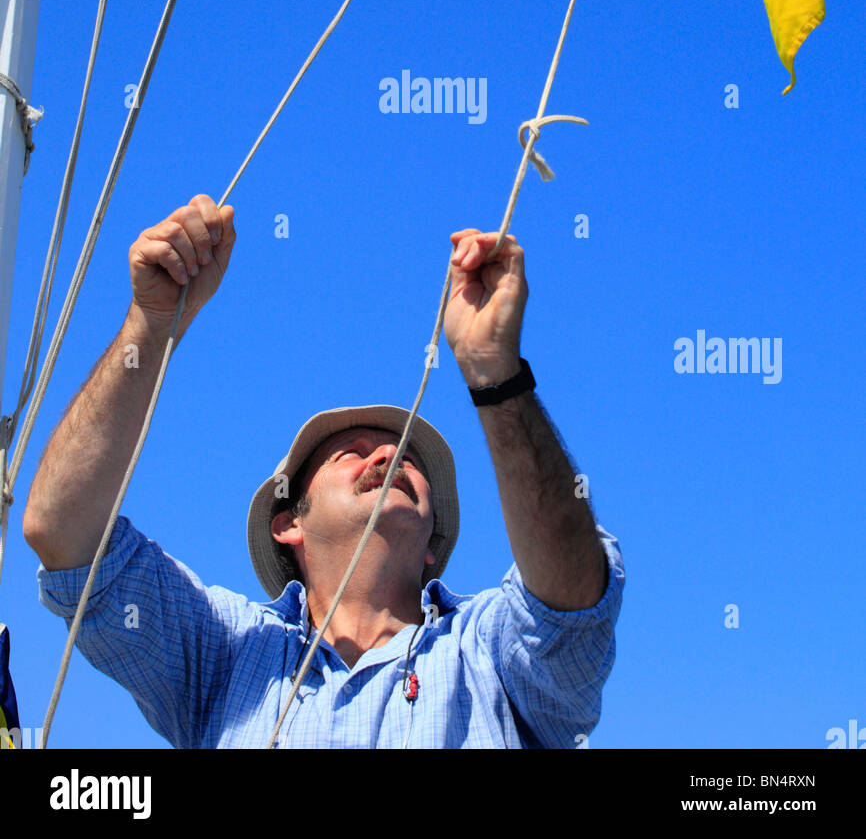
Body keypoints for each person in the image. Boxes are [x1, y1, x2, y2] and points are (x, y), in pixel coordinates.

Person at [23, 194, 625, 749]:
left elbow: (568, 601)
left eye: (407, 460)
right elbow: (62, 530)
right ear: (289, 523)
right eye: (352, 453)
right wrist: (150, 322)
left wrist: (496, 375)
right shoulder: (225, 654)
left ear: (432, 551)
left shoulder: (490, 652)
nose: (388, 456)